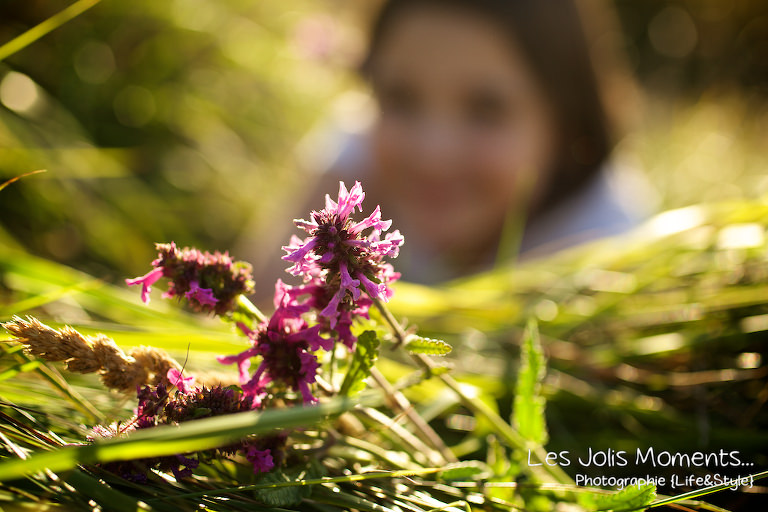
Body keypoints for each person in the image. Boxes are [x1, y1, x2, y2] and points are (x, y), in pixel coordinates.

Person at [241, 0, 655, 288]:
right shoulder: (363, 147)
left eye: (486, 109)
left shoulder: (605, 248)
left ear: (565, 120)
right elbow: (264, 297)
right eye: (401, 98)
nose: (432, 154)